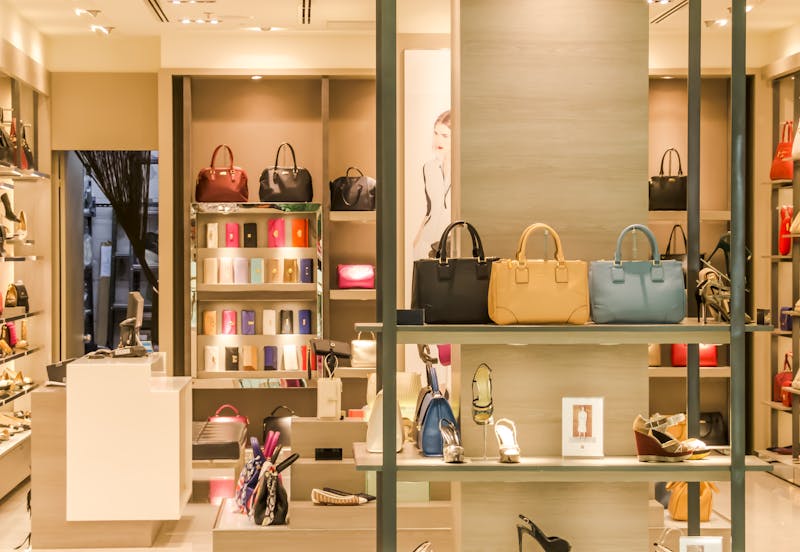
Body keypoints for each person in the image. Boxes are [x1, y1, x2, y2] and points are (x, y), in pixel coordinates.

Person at [412, 110, 451, 260]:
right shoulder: (428, 168)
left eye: (445, 135)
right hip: (427, 242)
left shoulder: (463, 170)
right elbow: (429, 209)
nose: (438, 140)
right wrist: (415, 243)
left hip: (450, 242)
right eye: (435, 133)